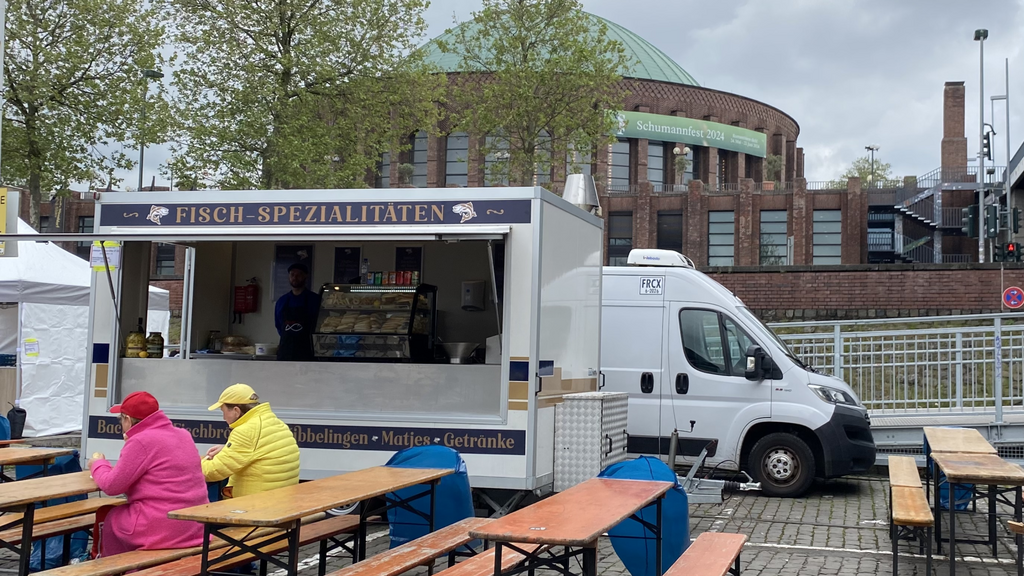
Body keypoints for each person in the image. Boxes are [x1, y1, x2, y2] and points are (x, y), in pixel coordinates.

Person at [88, 391, 208, 557]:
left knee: (108, 515)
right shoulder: (183, 434)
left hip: (163, 529)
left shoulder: (140, 441)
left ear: (128, 420)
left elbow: (111, 486)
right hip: (195, 526)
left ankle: (107, 566)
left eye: (120, 419)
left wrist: (98, 464)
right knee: (121, 516)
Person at [201, 383, 300, 498]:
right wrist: (227, 449)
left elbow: (214, 471)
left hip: (255, 507)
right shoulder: (274, 422)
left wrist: (193, 464)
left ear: (236, 411)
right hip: (282, 500)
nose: (223, 417)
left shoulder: (246, 431)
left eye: (224, 412)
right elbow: (261, 449)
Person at [274, 262, 321, 361]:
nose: (295, 277)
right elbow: (279, 326)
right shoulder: (282, 301)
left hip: (307, 353)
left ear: (305, 276)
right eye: (292, 274)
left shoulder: (315, 300)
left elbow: (321, 325)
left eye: (299, 274)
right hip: (285, 353)